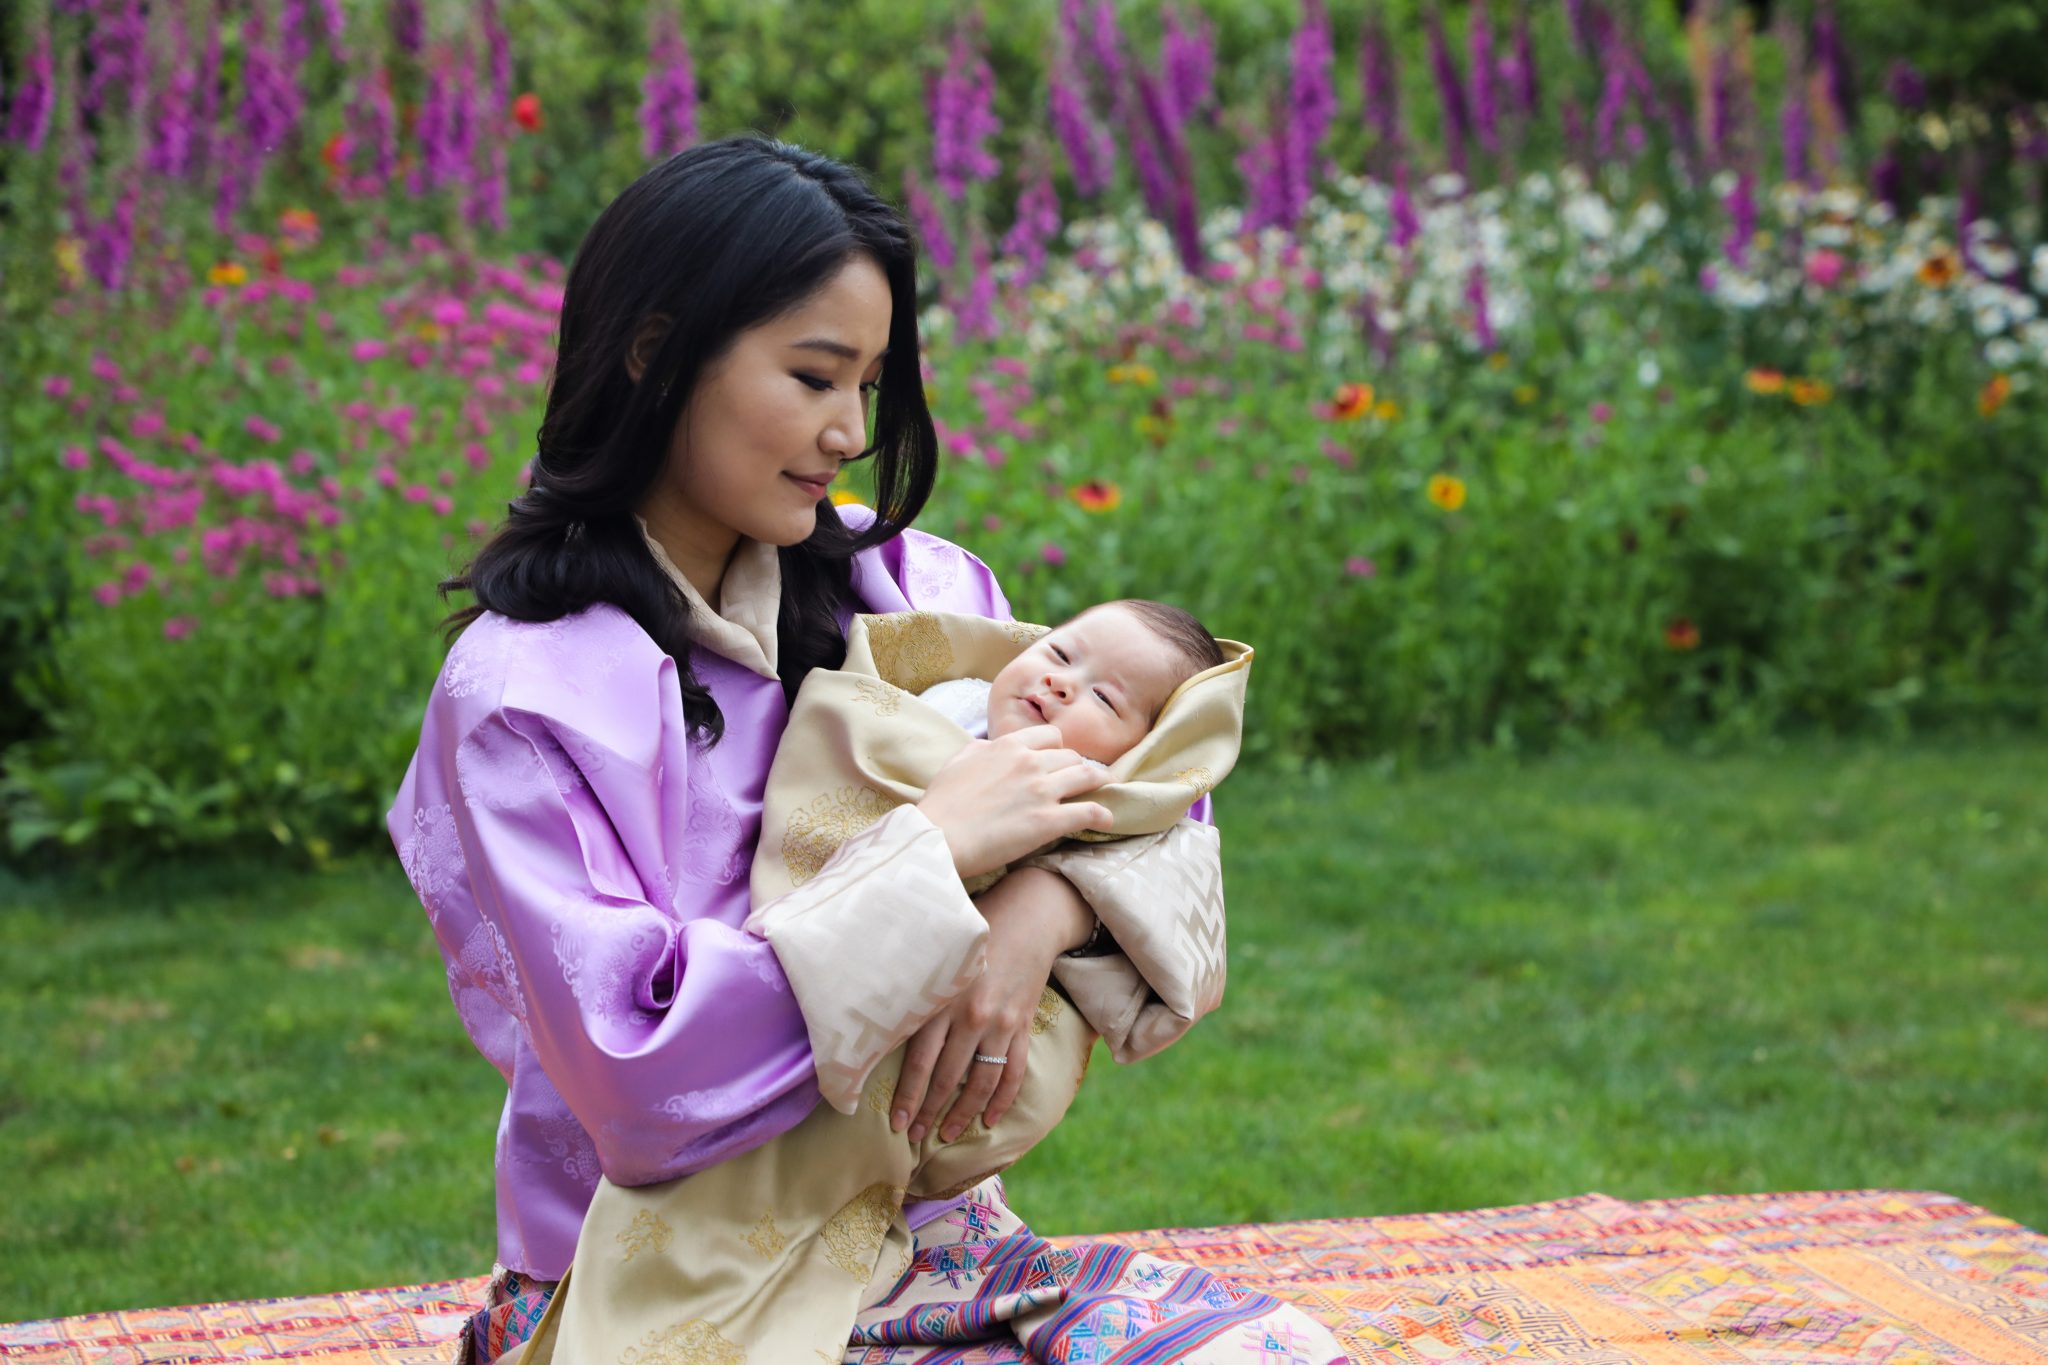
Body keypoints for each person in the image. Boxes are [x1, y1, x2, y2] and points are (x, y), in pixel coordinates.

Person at [387, 135, 1345, 1363]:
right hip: (657, 1271)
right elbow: (634, 1080)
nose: (848, 430)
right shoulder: (526, 693)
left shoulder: (917, 588)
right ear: (651, 353)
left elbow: (1159, 789)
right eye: (811, 375)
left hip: (932, 1247)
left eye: (870, 382)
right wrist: (935, 852)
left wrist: (1043, 906)